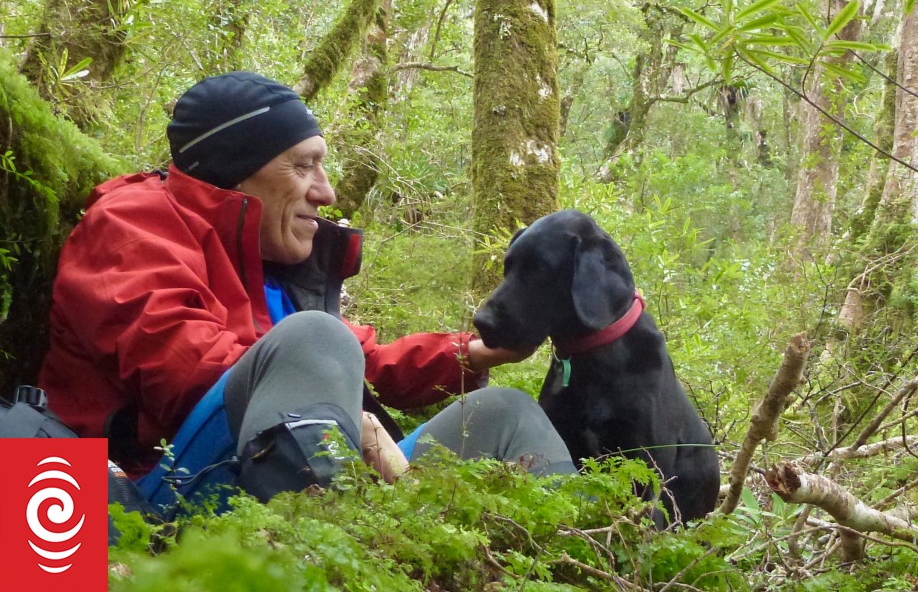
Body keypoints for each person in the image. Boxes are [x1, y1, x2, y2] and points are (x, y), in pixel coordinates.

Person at [37, 71, 574, 509]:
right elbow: (184, 368)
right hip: (150, 492)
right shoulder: (132, 224)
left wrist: (472, 354)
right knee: (316, 338)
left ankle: (582, 562)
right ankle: (343, 549)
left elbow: (352, 361)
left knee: (505, 413)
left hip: (279, 460)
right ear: (233, 174)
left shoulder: (276, 260)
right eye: (302, 165)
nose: (326, 191)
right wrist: (351, 423)